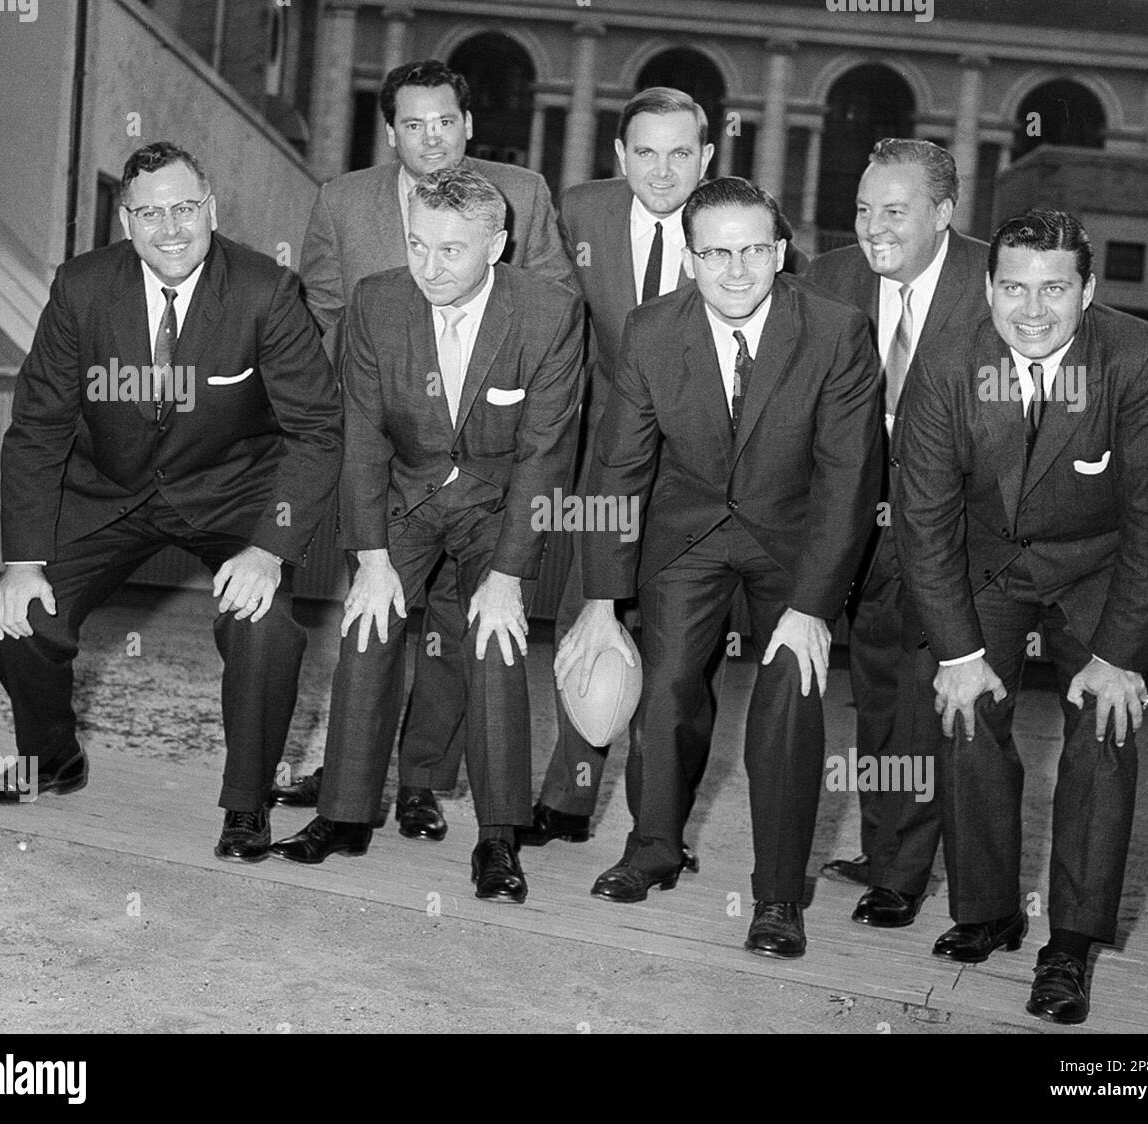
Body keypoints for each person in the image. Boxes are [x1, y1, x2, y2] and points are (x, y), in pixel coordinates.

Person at [0, 142, 342, 865]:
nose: (168, 228)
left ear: (210, 208)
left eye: (182, 208)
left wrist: (270, 548)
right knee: (17, 620)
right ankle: (51, 757)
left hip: (233, 496)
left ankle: (246, 802)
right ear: (125, 218)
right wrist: (22, 562)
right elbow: (38, 428)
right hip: (110, 492)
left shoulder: (267, 290)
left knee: (264, 631)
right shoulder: (81, 288)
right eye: (149, 212)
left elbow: (317, 431)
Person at [557, 177, 882, 957]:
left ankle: (778, 895)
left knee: (788, 701)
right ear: (689, 257)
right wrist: (602, 598)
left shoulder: (837, 331)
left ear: (780, 251)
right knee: (665, 689)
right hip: (689, 536)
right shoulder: (649, 330)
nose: (736, 270)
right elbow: (618, 472)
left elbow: (850, 477)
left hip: (793, 542)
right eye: (716, 253)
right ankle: (653, 847)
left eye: (754, 250)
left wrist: (811, 606)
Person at [895, 209, 1148, 1024]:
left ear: (1088, 291)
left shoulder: (1139, 360)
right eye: (1015, 289)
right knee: (964, 714)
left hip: (1102, 567)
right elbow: (922, 519)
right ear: (988, 290)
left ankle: (1068, 944)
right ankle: (988, 908)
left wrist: (1121, 654)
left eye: (1055, 289)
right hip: (989, 560)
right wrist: (958, 654)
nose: (1033, 311)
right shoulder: (948, 361)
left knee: (1105, 724)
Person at [275, 58, 575, 840]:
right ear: (392, 131)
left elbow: (544, 329)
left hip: (492, 474)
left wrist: (510, 568)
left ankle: (435, 790)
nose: (431, 136)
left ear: (467, 123)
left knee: (473, 638)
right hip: (394, 458)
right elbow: (325, 318)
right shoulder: (346, 210)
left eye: (445, 120)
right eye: (414, 123)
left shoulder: (524, 204)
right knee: (370, 621)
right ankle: (348, 797)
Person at [521, 86, 713, 856]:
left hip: (698, 469)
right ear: (618, 156)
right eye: (644, 152)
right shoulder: (582, 213)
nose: (661, 171)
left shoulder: (741, 227)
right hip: (601, 458)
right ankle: (567, 801)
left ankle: (658, 823)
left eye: (678, 154)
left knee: (677, 650)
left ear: (704, 157)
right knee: (583, 615)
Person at [807, 139, 990, 929]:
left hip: (956, 533)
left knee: (925, 704)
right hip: (859, 532)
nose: (873, 227)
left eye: (894, 211)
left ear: (944, 213)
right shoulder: (827, 276)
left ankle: (907, 875)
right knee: (879, 699)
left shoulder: (996, 281)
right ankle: (888, 853)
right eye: (862, 209)